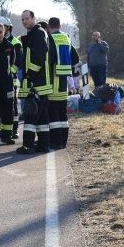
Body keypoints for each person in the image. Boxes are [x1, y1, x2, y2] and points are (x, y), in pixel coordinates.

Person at [16, 11, 52, 154]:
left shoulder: (37, 33)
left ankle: (28, 146)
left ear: (33, 18)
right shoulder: (35, 34)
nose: (24, 21)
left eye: (27, 18)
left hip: (36, 83)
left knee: (31, 115)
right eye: (22, 19)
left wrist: (30, 75)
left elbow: (39, 57)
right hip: (40, 83)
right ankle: (43, 145)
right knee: (42, 116)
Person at [46, 17, 79, 150]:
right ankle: (63, 142)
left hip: (53, 79)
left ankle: (56, 142)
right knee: (63, 113)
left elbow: (50, 59)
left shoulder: (50, 38)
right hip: (64, 80)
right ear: (60, 25)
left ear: (49, 27)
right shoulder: (66, 38)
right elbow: (75, 58)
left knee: (53, 113)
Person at [0, 16, 23, 141]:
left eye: (4, 27)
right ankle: (3, 130)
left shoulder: (15, 43)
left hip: (11, 80)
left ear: (8, 28)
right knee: (0, 106)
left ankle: (14, 129)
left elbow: (18, 62)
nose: (2, 29)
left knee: (13, 106)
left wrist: (8, 73)